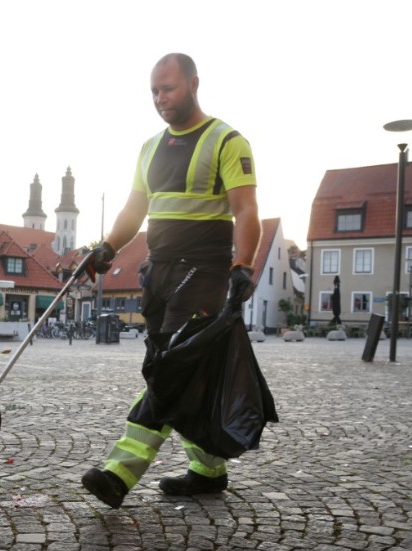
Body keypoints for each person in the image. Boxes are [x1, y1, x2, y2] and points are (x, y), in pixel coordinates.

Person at [81, 52, 261, 509]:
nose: (160, 98)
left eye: (169, 88)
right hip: (158, 272)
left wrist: (243, 264)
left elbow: (245, 210)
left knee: (170, 367)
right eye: (154, 91)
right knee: (179, 368)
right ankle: (208, 470)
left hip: (203, 272)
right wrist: (108, 247)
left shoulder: (227, 141)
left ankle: (120, 472)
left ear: (194, 84)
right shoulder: (149, 148)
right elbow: (134, 209)